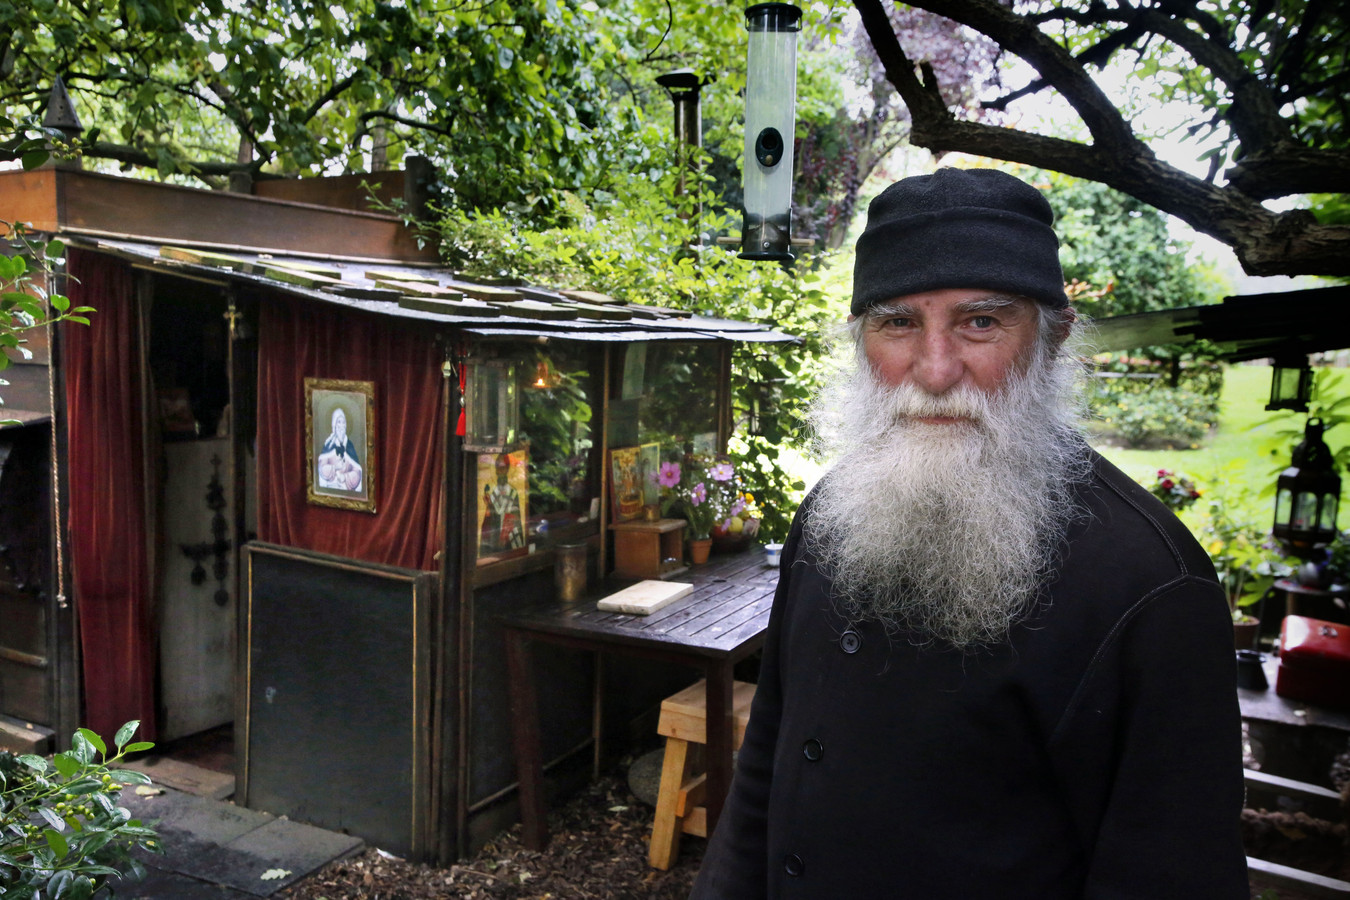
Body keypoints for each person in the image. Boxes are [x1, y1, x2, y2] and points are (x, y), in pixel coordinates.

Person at [690, 168, 1248, 898]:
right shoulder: (832, 509)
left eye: (981, 322)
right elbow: (772, 750)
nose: (935, 368)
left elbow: (1173, 879)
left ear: (1052, 338)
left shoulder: (1152, 586)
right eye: (897, 323)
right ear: (862, 342)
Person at [316, 405, 363, 492]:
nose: (341, 426)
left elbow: (358, 472)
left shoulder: (350, 446)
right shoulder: (329, 445)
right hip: (330, 488)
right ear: (334, 425)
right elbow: (321, 468)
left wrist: (345, 477)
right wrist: (335, 468)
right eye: (339, 422)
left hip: (346, 489)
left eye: (343, 422)